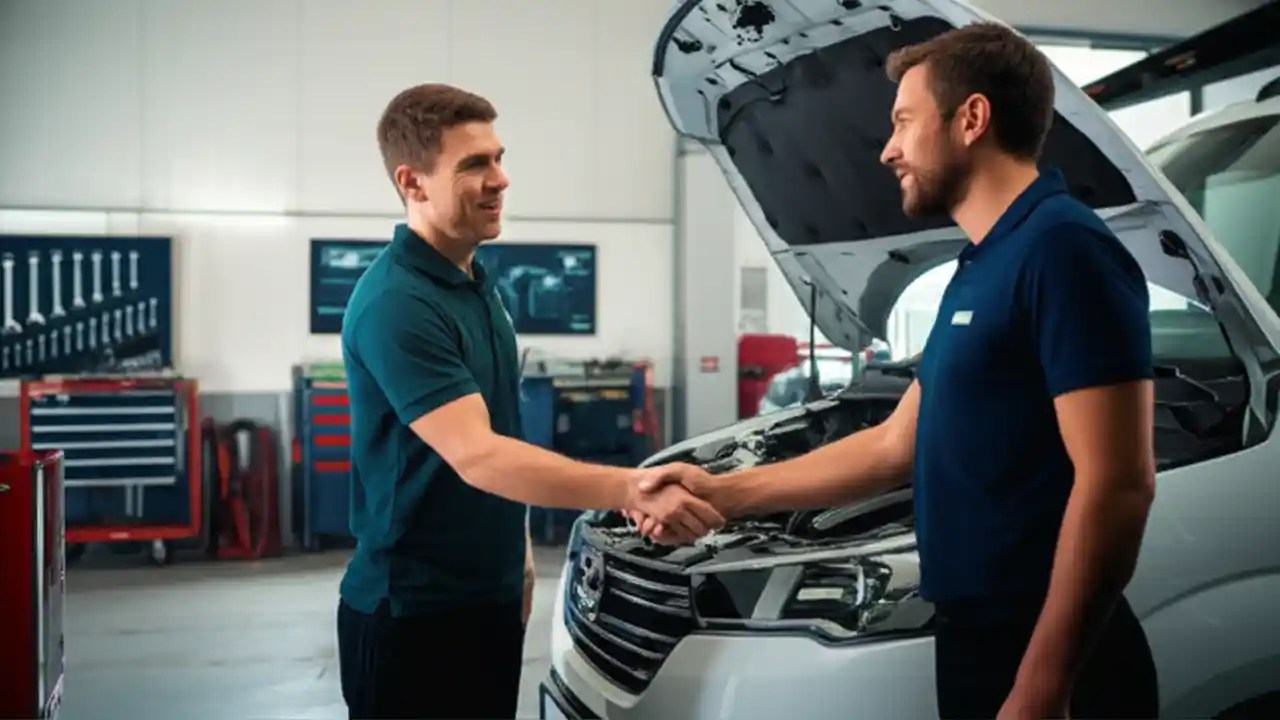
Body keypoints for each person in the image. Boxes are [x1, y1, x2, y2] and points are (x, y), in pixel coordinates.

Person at [634, 22, 1160, 720]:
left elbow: (1119, 483)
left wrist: (1041, 686)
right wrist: (721, 492)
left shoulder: (1063, 249)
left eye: (904, 122)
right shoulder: (982, 264)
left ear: (971, 118)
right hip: (979, 635)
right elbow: (893, 446)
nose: (887, 150)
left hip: (1050, 654)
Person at [336, 83, 724, 720]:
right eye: (474, 165)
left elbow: (501, 432)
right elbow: (480, 457)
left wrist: (515, 563)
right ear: (413, 183)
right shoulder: (397, 302)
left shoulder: (476, 284)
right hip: (412, 615)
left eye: (497, 157)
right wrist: (631, 488)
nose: (500, 179)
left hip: (485, 601)